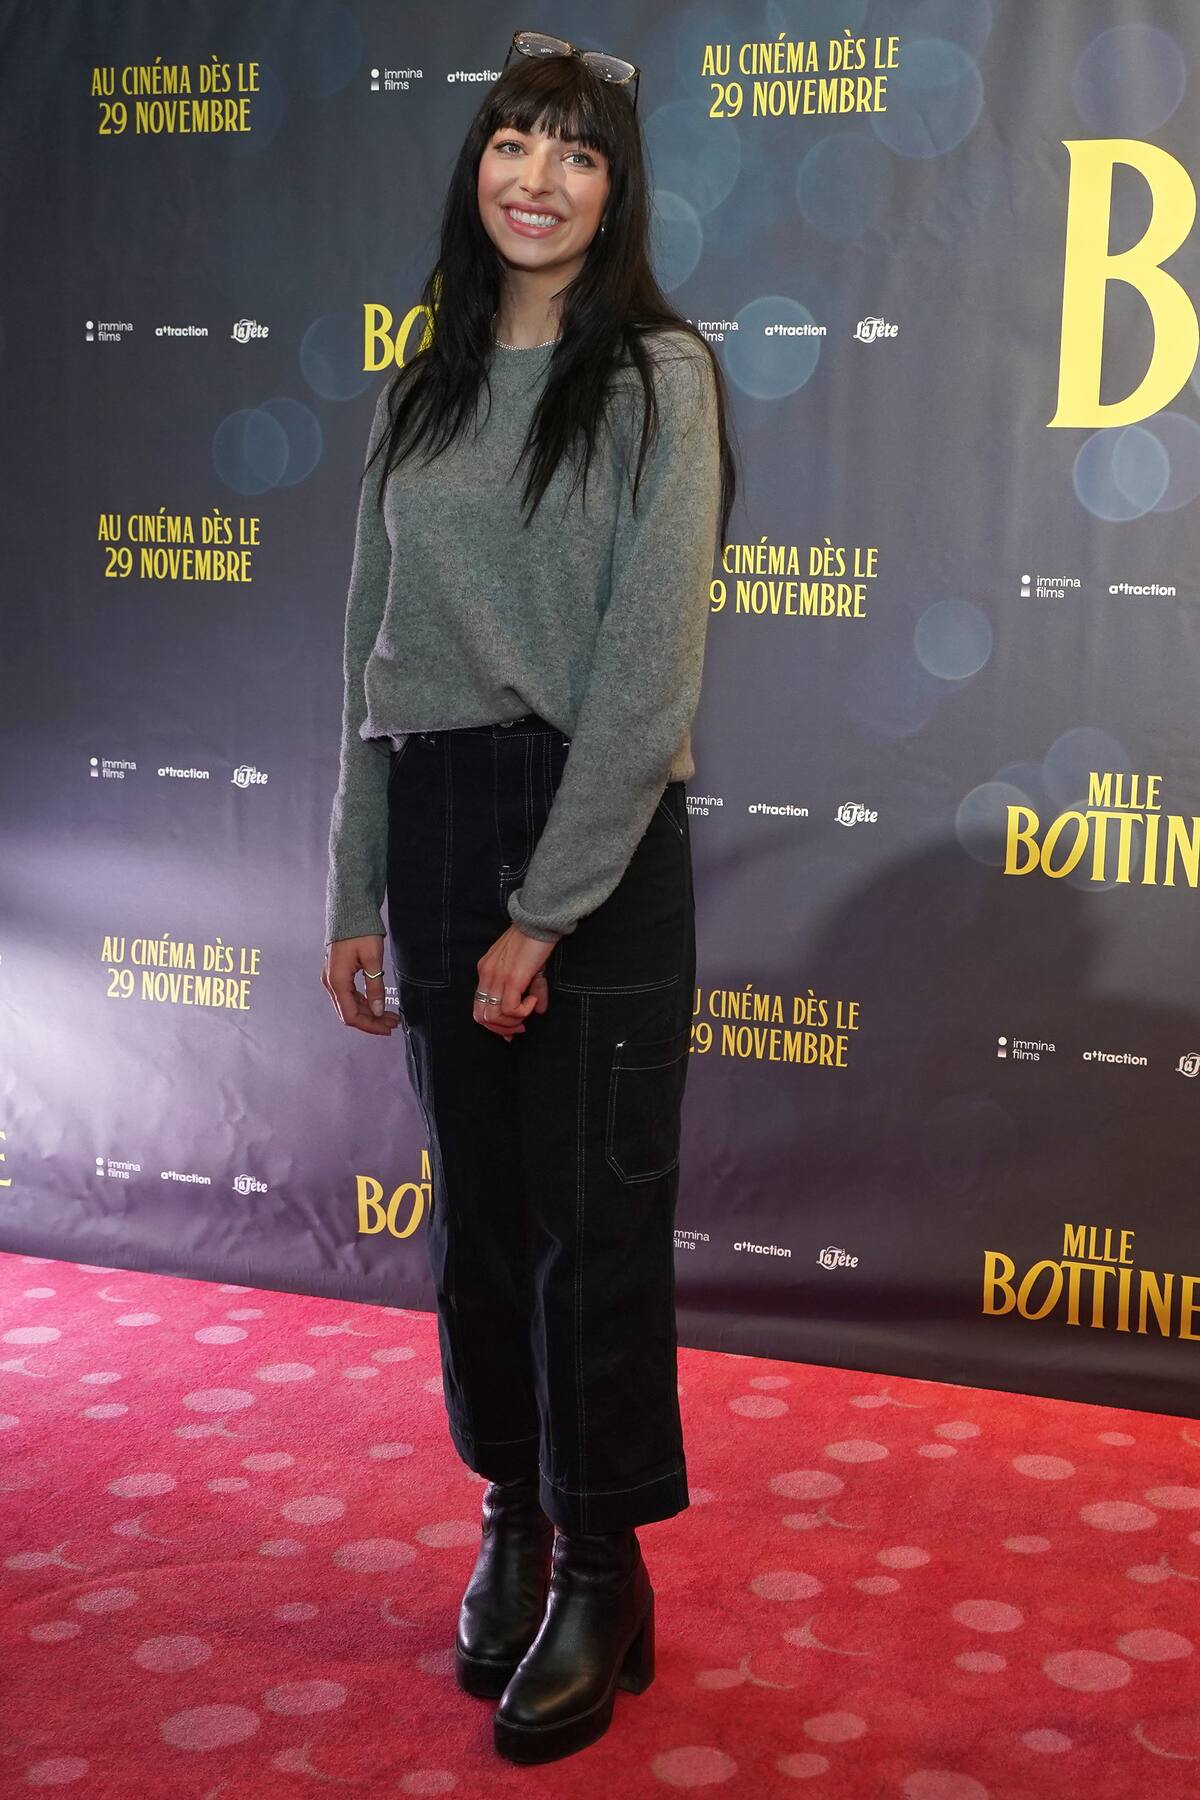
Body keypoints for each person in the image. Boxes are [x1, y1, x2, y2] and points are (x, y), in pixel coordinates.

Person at [320, 30, 737, 1766]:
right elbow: (368, 650)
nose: (538, 178)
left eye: (576, 153)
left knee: (595, 1227)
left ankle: (604, 1564)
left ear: (616, 191)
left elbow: (648, 676)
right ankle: (512, 1514)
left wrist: (541, 913)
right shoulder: (417, 384)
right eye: (515, 142)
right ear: (476, 164)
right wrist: (361, 878)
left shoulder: (659, 376)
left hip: (598, 838)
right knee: (481, 1228)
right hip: (433, 815)